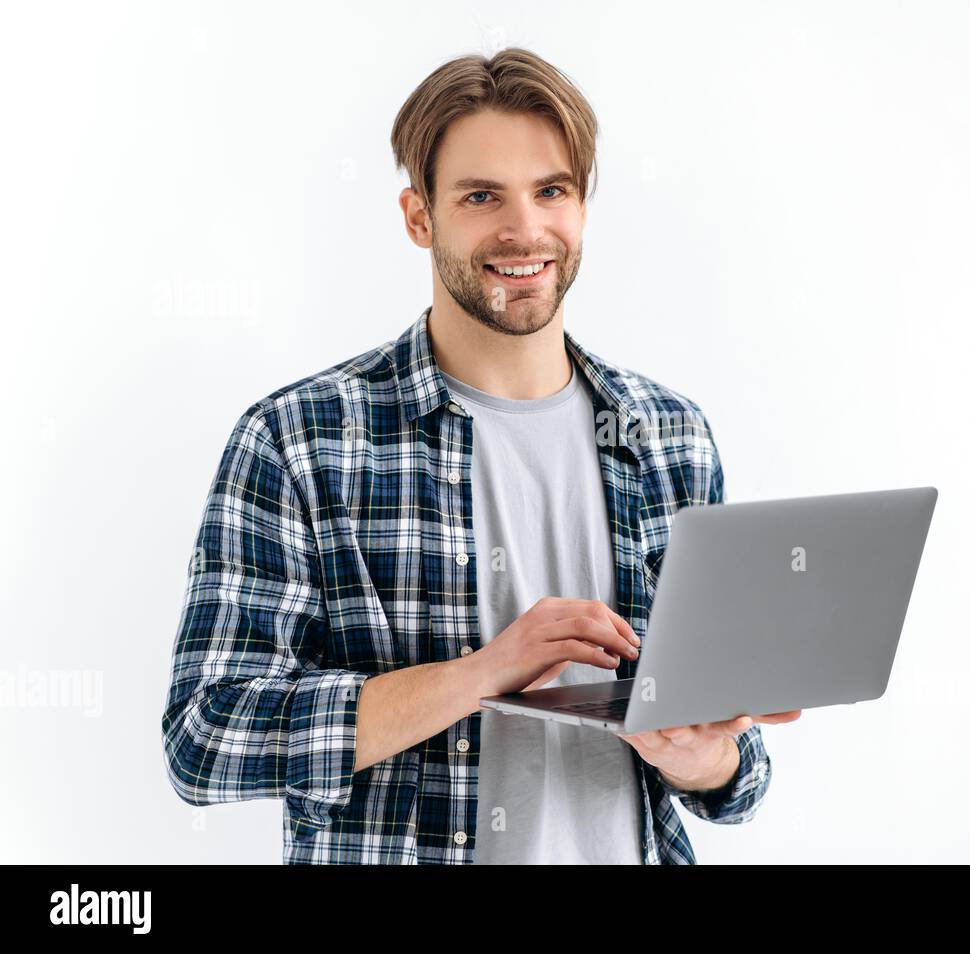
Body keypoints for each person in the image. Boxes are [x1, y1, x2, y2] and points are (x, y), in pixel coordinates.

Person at [161, 46, 799, 864]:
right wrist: (481, 673)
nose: (524, 229)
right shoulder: (300, 438)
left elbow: (731, 779)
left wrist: (703, 756)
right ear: (419, 217)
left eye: (552, 191)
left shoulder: (668, 433)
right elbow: (204, 737)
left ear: (582, 207)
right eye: (480, 196)